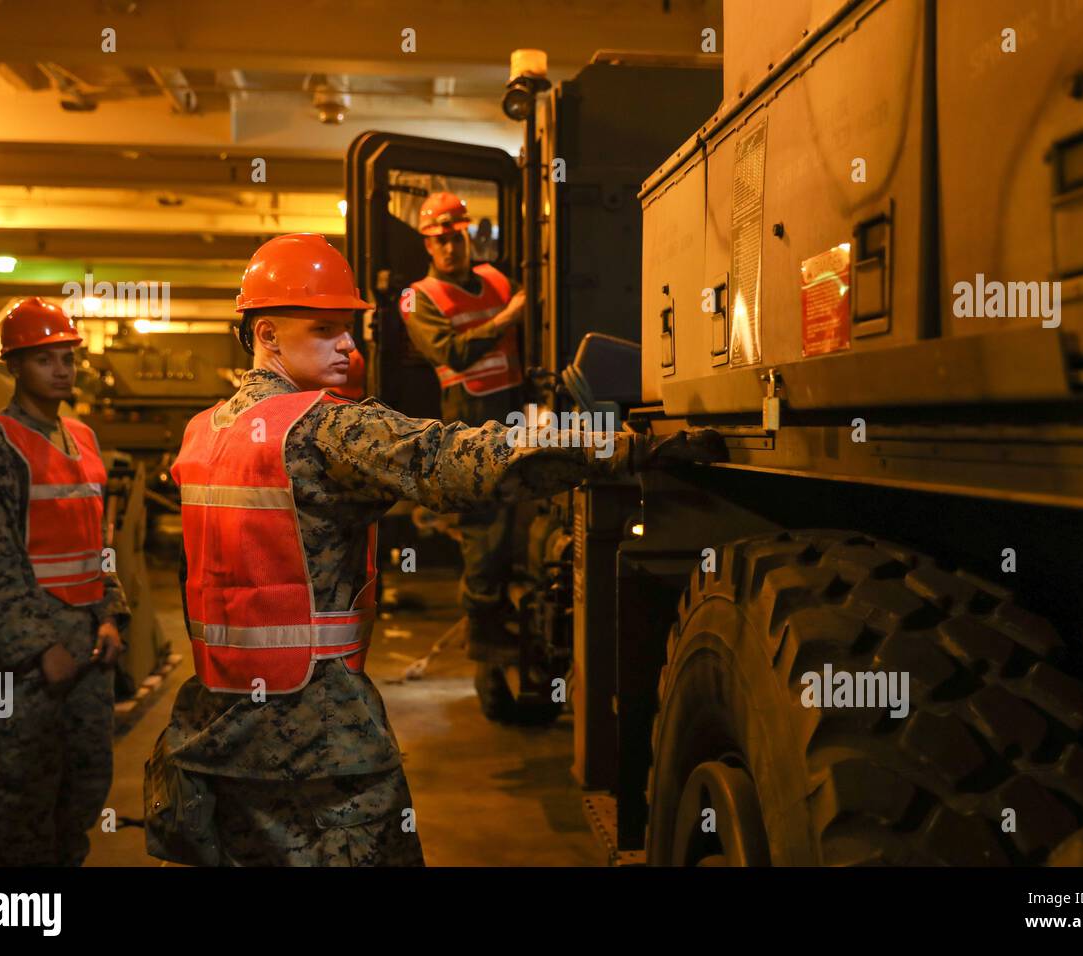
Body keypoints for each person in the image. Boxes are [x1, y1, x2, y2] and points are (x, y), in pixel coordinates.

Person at [154, 232, 723, 866]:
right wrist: (628, 447)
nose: (348, 345)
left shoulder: (203, 434)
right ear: (266, 335)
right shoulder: (323, 426)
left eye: (349, 328)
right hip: (316, 736)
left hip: (216, 732)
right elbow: (458, 460)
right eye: (324, 329)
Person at [0, 296, 129, 866]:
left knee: (83, 790)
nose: (62, 370)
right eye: (45, 359)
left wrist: (111, 616)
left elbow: (98, 540)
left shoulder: (85, 439)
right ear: (14, 366)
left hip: (86, 647)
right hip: (19, 664)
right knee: (23, 802)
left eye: (67, 357)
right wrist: (39, 648)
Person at [402, 191, 528, 662]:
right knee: (485, 521)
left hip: (515, 405)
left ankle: (503, 615)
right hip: (470, 414)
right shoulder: (419, 297)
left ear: (468, 236)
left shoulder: (495, 279)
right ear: (427, 245)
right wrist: (506, 318)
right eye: (440, 240)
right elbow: (449, 352)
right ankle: (484, 627)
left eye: (456, 237)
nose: (450, 247)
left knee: (513, 514)